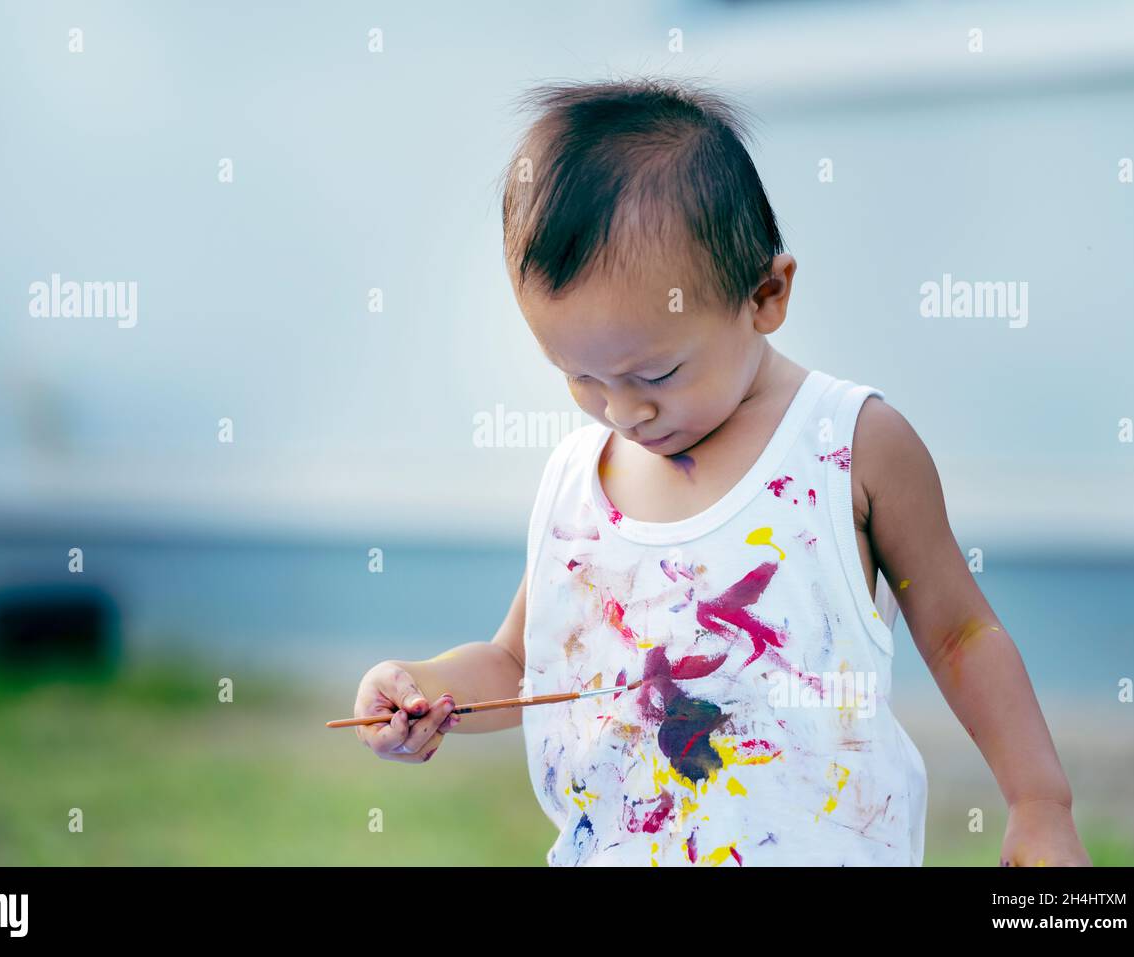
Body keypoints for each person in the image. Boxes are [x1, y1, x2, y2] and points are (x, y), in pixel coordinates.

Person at [351, 77, 1090, 867]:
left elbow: (960, 633)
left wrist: (1038, 800)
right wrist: (423, 688)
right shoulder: (576, 485)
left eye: (657, 374)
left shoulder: (848, 447)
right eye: (580, 377)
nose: (622, 410)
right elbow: (518, 665)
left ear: (765, 295)